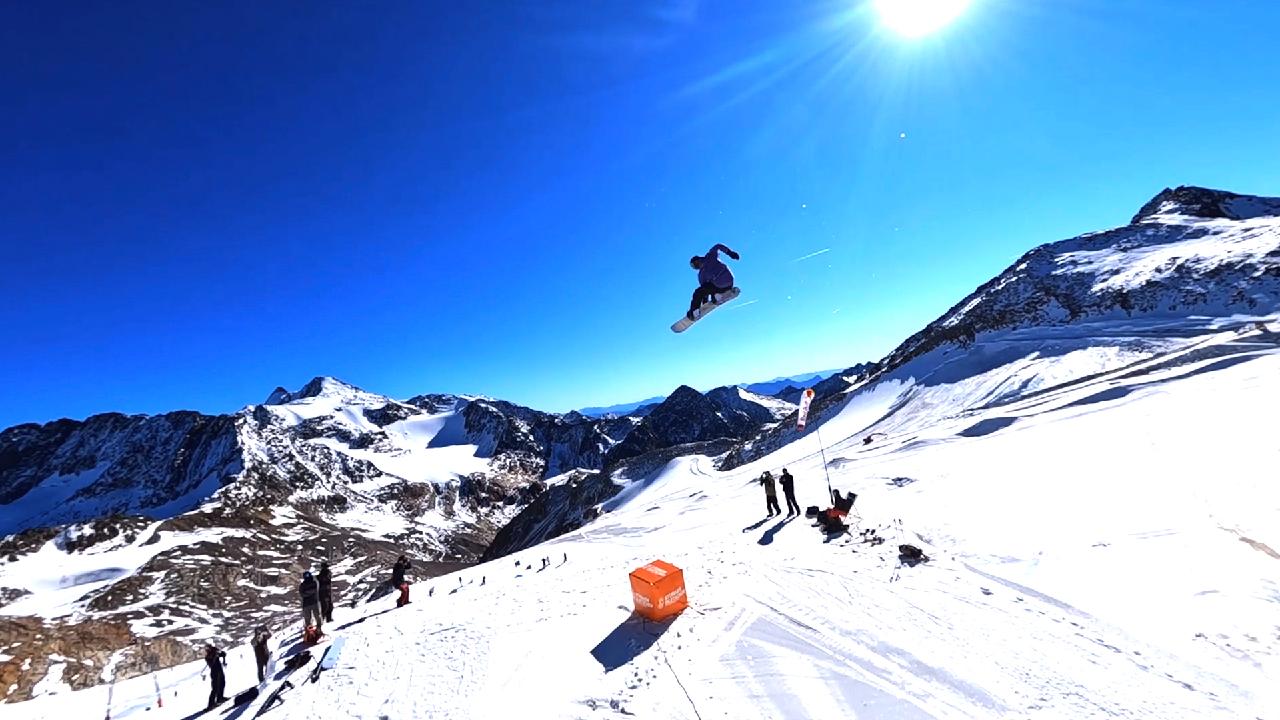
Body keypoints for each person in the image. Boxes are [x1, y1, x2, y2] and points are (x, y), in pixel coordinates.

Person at [687, 244, 740, 321]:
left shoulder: (702, 273)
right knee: (709, 287)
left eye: (693, 266)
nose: (695, 267)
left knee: (698, 292)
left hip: (719, 285)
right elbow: (718, 246)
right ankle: (716, 296)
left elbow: (703, 290)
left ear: (696, 261)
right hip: (729, 283)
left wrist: (705, 304)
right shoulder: (710, 256)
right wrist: (730, 253)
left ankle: (694, 312)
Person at [204, 644, 227, 708]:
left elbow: (223, 654)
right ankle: (211, 704)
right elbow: (211, 663)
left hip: (219, 670)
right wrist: (215, 656)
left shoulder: (214, 652)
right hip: (214, 672)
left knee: (222, 683)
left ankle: (220, 698)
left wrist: (221, 653)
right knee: (215, 688)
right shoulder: (208, 656)